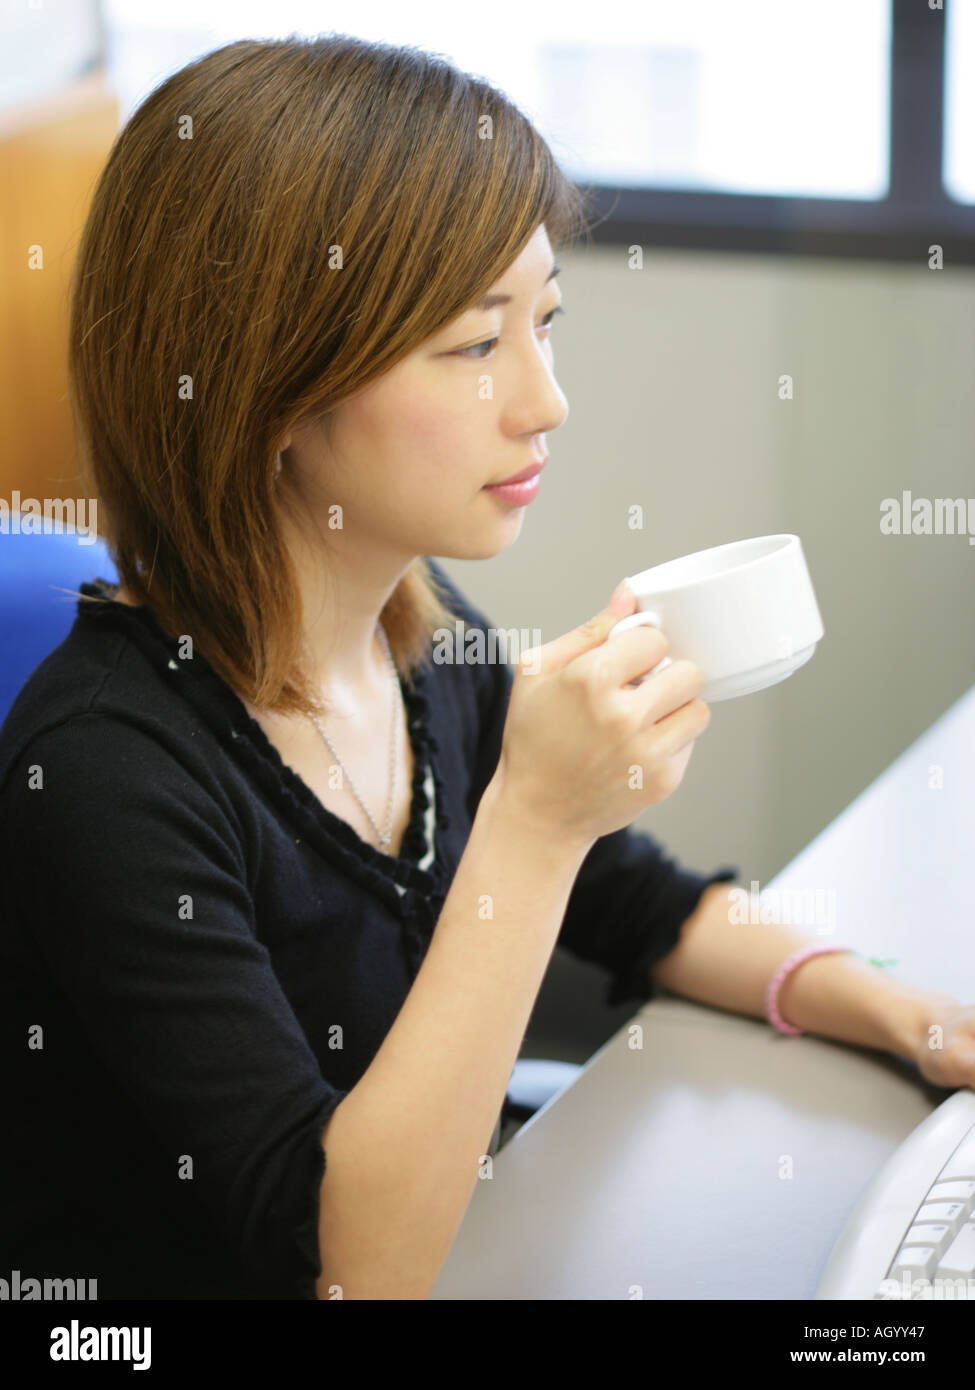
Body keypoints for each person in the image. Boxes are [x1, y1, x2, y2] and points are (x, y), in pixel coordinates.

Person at [1, 35, 971, 1303]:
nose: (545, 401)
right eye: (474, 345)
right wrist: (534, 823)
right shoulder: (101, 770)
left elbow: (641, 903)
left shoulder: (411, 625)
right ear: (270, 381)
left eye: (546, 324)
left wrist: (910, 1016)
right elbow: (342, 1265)